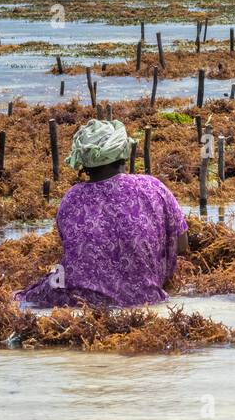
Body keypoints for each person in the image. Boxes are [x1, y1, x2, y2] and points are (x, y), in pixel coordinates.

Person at [17, 119, 189, 308]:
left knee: (20, 299)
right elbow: (182, 244)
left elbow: (73, 251)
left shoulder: (71, 199)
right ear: (123, 152)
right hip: (145, 297)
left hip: (80, 300)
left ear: (83, 162)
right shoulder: (153, 187)